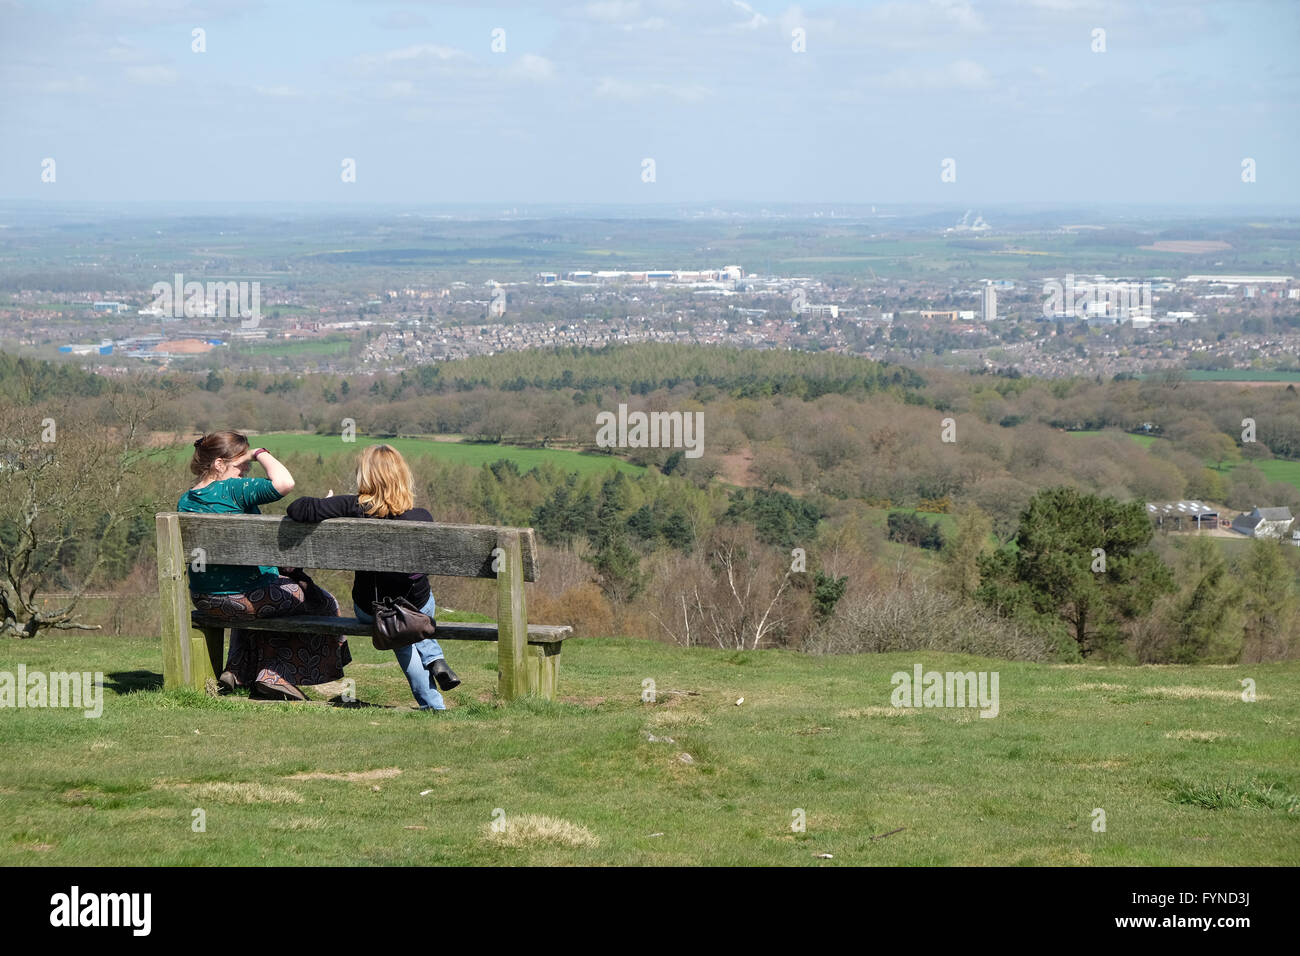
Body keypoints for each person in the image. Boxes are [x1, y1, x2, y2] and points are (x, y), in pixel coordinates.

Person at [287, 444, 459, 711]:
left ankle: (434, 703)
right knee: (412, 616)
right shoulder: (422, 517)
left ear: (365, 476)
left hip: (372, 610)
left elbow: (297, 509)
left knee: (401, 638)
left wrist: (324, 503)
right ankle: (435, 662)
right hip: (416, 607)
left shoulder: (350, 507)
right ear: (403, 476)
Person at [179, 430, 349, 701]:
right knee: (320, 601)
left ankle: (236, 670)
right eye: (242, 462)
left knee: (266, 596)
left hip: (204, 598)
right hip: (241, 600)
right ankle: (275, 675)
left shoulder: (186, 500)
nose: (247, 468)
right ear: (219, 464)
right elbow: (284, 483)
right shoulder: (233, 489)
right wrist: (261, 453)